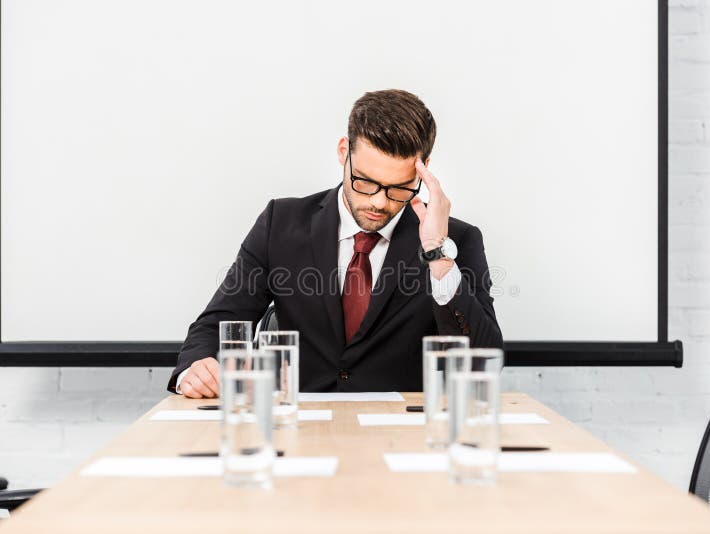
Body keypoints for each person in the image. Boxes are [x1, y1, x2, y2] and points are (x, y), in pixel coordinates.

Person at [168, 89, 502, 397]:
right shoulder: (280, 223)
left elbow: (481, 362)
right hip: (298, 423)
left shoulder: (455, 240)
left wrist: (438, 255)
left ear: (423, 171)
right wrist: (196, 369)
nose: (379, 202)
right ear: (344, 152)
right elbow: (215, 324)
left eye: (399, 188)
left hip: (400, 429)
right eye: (365, 182)